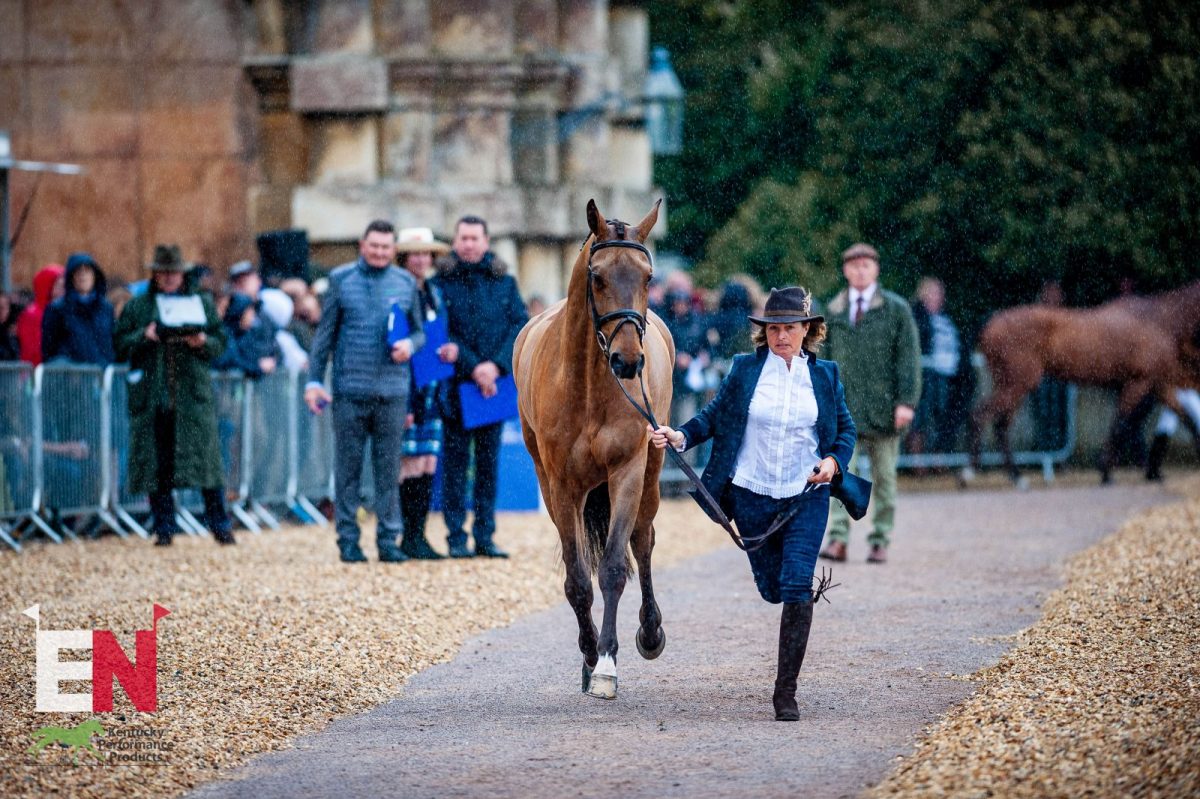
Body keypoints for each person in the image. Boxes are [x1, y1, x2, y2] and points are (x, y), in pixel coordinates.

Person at [648, 286, 857, 721]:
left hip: (806, 495)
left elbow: (846, 431)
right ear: (765, 332)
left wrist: (834, 462)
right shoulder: (745, 370)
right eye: (774, 328)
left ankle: (785, 692)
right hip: (751, 493)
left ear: (807, 330)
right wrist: (681, 436)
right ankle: (781, 608)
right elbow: (714, 415)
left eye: (791, 328)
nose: (783, 336)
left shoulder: (826, 376)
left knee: (798, 585)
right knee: (772, 588)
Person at [304, 220, 426, 564]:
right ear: (362, 245)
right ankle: (348, 540)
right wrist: (314, 381)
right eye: (374, 246)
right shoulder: (341, 280)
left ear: (393, 250)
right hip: (349, 391)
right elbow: (323, 338)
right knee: (348, 470)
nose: (380, 252)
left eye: (386, 247)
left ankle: (389, 541)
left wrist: (409, 345)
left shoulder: (405, 283)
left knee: (388, 471)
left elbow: (419, 333)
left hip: (392, 391)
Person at [112, 244, 235, 546]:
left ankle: (220, 525)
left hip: (192, 396)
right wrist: (145, 336)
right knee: (159, 465)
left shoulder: (201, 303)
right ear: (155, 274)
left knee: (206, 463)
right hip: (154, 396)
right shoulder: (138, 307)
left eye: (174, 272)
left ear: (183, 274)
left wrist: (202, 341)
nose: (169, 278)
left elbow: (221, 342)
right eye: (163, 272)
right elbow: (119, 345)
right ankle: (164, 528)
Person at [432, 215, 528, 559]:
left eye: (475, 238)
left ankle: (485, 535)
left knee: (489, 464)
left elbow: (519, 324)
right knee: (455, 465)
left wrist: (495, 366)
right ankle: (456, 537)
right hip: (458, 385)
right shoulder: (441, 283)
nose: (469, 244)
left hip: (493, 387)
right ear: (455, 242)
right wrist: (474, 367)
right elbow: (442, 331)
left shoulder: (504, 281)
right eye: (464, 238)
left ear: (486, 241)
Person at [818, 243, 920, 564]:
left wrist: (906, 402)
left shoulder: (896, 310)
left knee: (886, 478)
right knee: (838, 477)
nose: (860, 270)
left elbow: (908, 359)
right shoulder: (833, 311)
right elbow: (823, 360)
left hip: (884, 411)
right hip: (843, 412)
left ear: (876, 269)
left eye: (866, 265)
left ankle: (880, 539)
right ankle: (838, 538)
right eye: (854, 265)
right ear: (846, 270)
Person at [395, 227, 459, 560]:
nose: (420, 260)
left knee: (426, 462)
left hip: (435, 387)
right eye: (414, 254)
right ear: (404, 258)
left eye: (425, 254)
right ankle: (406, 534)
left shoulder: (433, 291)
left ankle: (418, 534)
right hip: (409, 386)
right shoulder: (399, 290)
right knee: (407, 462)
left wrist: (449, 349)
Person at [908, 277, 963, 455]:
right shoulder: (916, 316)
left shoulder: (946, 317)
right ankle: (917, 462)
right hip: (924, 373)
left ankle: (939, 458)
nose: (938, 297)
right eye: (933, 293)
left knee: (942, 417)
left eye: (939, 294)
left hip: (945, 375)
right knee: (920, 418)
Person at [41, 252, 116, 365]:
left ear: (95, 275)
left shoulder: (106, 309)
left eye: (87, 270)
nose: (83, 275)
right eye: (78, 271)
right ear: (71, 277)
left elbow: (113, 343)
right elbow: (48, 350)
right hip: (70, 378)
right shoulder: (57, 309)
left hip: (101, 376)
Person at [17, 264, 64, 365]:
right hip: (38, 373)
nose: (64, 290)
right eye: (59, 286)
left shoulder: (64, 312)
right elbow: (32, 350)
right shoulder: (31, 315)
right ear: (47, 287)